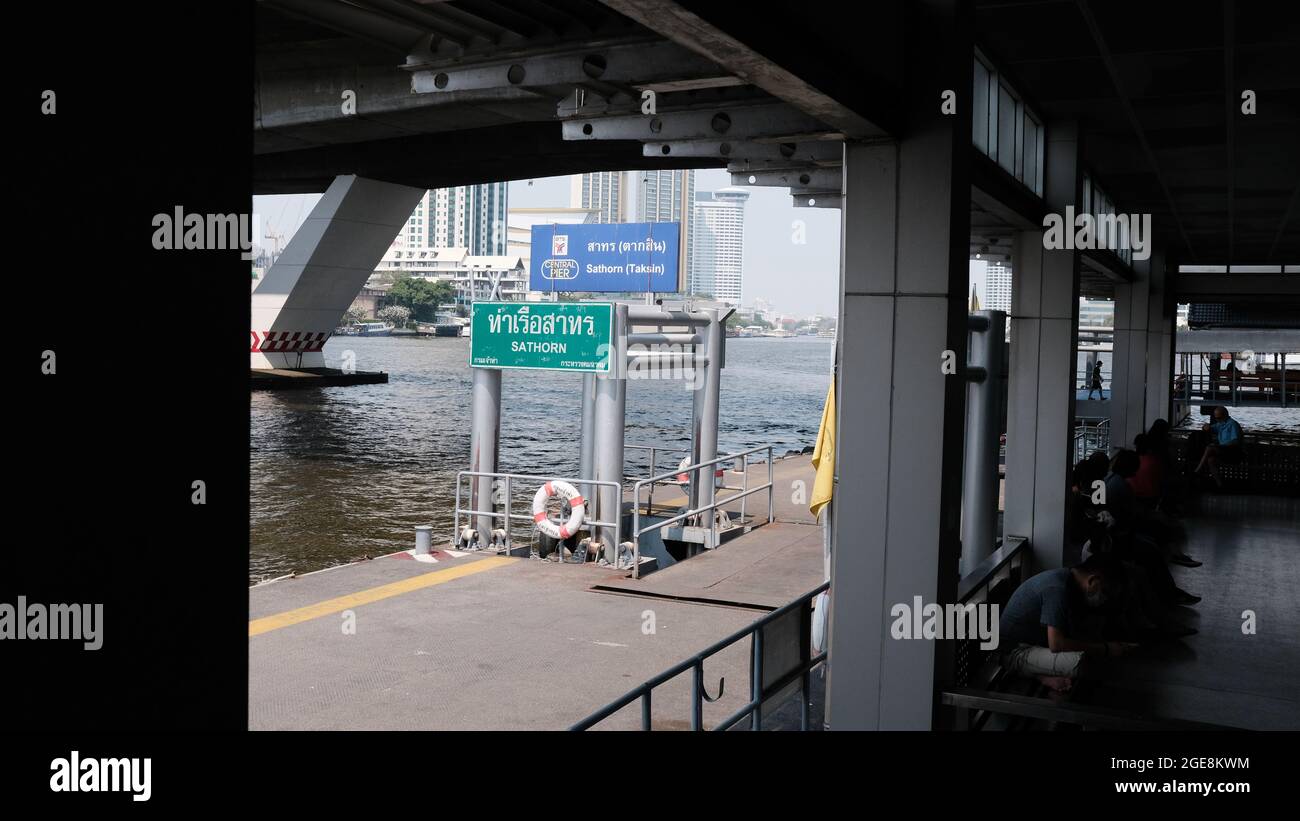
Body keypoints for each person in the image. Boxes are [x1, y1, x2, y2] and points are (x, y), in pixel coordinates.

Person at [998, 553, 1135, 693]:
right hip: (1014, 652)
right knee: (1081, 662)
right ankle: (1037, 673)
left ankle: (1041, 674)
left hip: (1034, 645)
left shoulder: (1067, 580)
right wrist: (1106, 648)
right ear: (1093, 581)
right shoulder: (1057, 588)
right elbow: (1056, 644)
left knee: (1088, 649)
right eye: (1106, 593)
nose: (1105, 599)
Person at [1194, 406, 1244, 488]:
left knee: (1210, 447)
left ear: (1225, 415)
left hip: (1233, 452)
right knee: (1211, 460)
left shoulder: (1233, 424)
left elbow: (1236, 441)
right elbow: (1210, 428)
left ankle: (1197, 471)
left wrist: (1221, 446)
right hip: (1224, 452)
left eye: (1219, 418)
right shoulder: (1220, 424)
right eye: (1216, 418)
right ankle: (1220, 485)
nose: (1217, 420)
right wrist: (1205, 427)